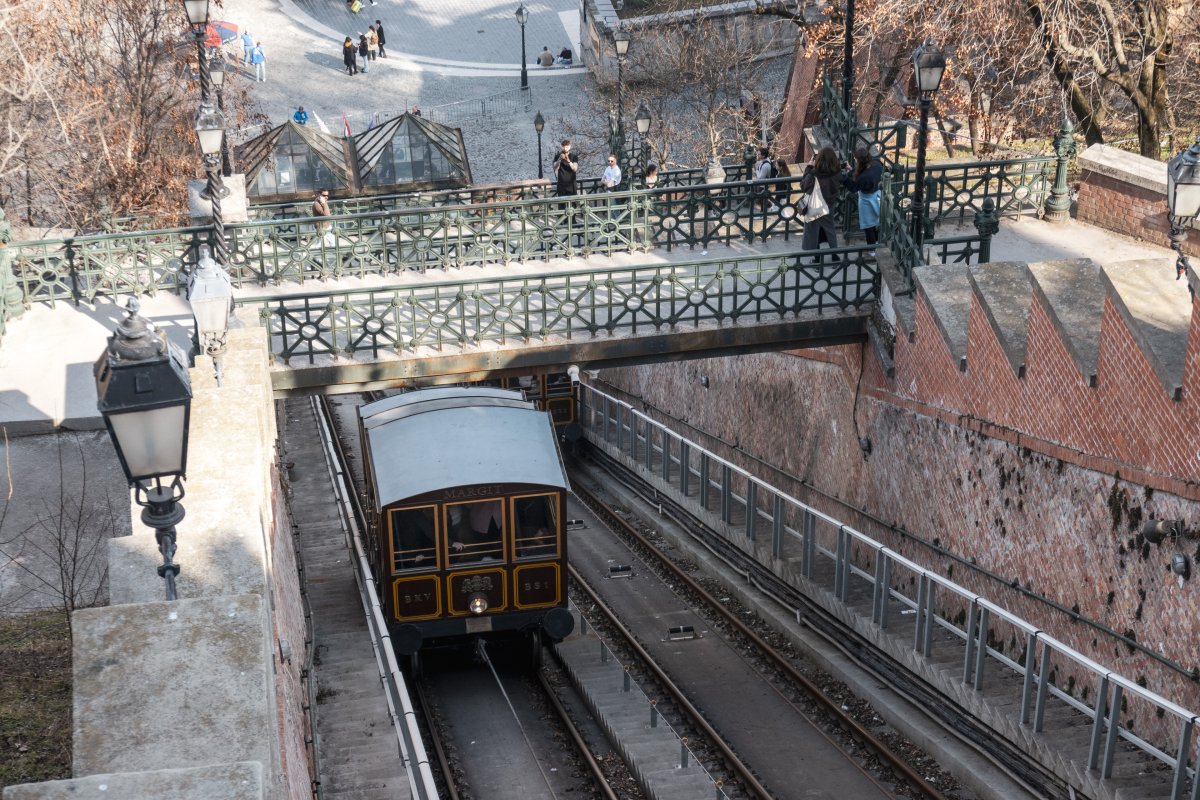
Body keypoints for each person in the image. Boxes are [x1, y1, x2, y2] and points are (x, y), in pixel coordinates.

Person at [799, 146, 843, 251]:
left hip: (816, 205)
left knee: (813, 230)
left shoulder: (814, 173)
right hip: (829, 205)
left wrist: (809, 167)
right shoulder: (837, 171)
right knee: (830, 229)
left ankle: (817, 257)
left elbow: (803, 186)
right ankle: (834, 255)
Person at [843, 146, 884, 255]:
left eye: (856, 159)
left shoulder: (864, 177)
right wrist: (852, 170)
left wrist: (844, 178)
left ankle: (872, 251)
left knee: (868, 225)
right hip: (878, 196)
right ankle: (877, 244)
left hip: (866, 201)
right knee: (877, 222)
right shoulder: (877, 164)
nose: (855, 161)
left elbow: (854, 187)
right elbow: (864, 175)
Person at [754, 146, 777, 211]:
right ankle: (770, 207)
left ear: (763, 156)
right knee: (761, 198)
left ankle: (763, 212)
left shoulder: (766, 165)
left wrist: (756, 170)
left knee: (761, 199)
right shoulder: (764, 161)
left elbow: (760, 177)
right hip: (763, 184)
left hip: (763, 185)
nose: (757, 155)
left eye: (759, 154)